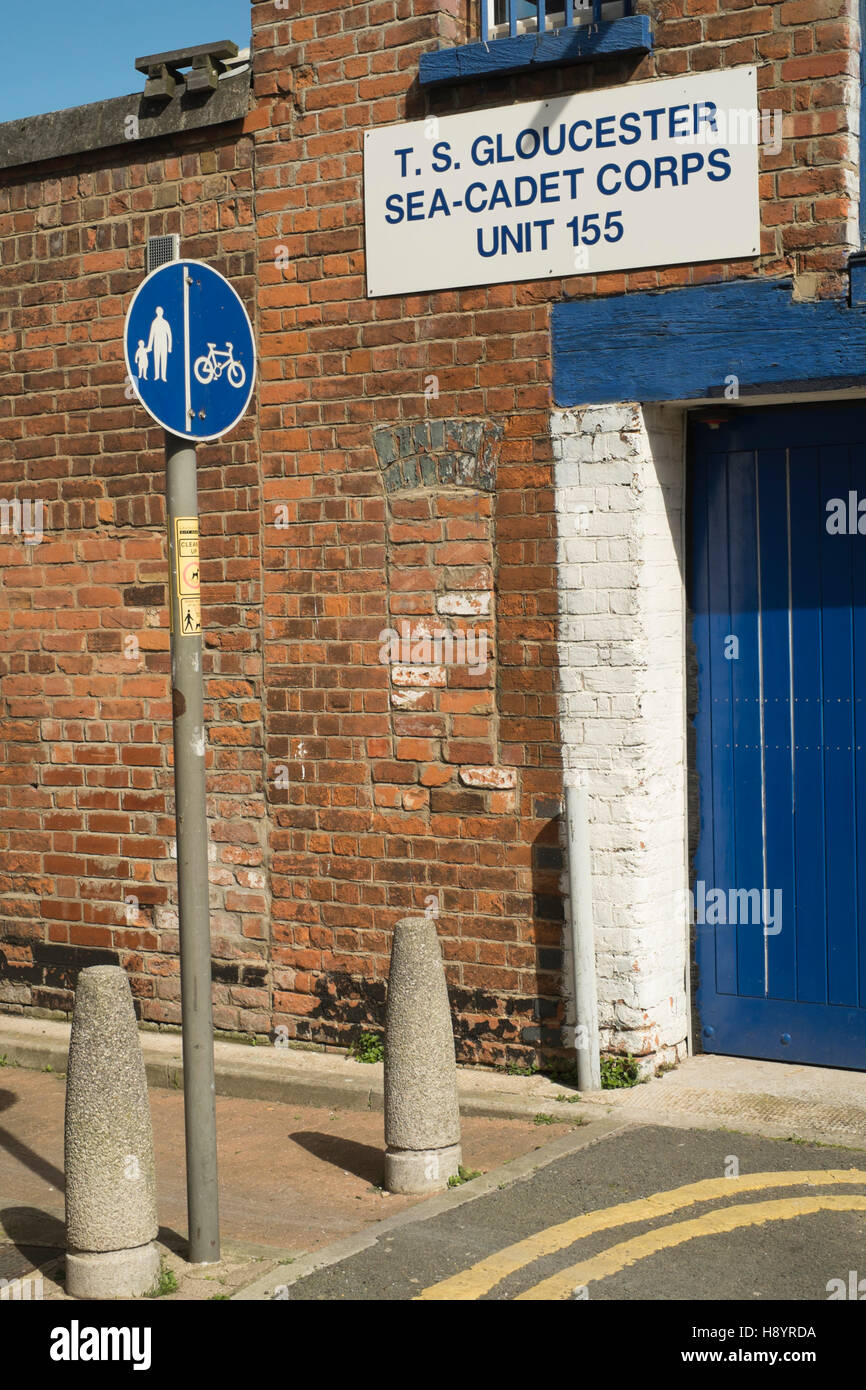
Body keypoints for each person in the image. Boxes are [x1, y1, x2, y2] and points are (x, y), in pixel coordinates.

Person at [146, 307, 172, 382]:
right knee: (156, 359)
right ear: (157, 312)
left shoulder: (165, 322)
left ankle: (163, 376)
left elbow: (169, 335)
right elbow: (151, 335)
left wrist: (169, 347)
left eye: (161, 311)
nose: (159, 313)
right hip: (156, 344)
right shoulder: (154, 322)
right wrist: (149, 346)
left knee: (164, 359)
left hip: (164, 344)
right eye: (158, 311)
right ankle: (157, 375)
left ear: (162, 312)